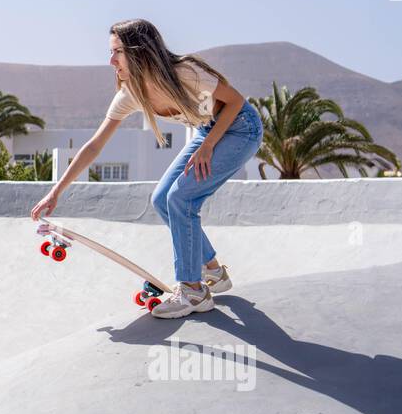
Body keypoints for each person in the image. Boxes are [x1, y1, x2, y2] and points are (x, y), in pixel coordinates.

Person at [30, 18, 264, 319]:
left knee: (181, 198)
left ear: (139, 51)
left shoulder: (185, 74)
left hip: (241, 128)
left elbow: (235, 102)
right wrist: (55, 192)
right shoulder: (131, 95)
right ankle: (213, 271)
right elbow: (94, 146)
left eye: (117, 52)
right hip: (208, 130)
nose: (111, 60)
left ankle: (193, 291)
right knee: (162, 198)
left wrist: (207, 146)